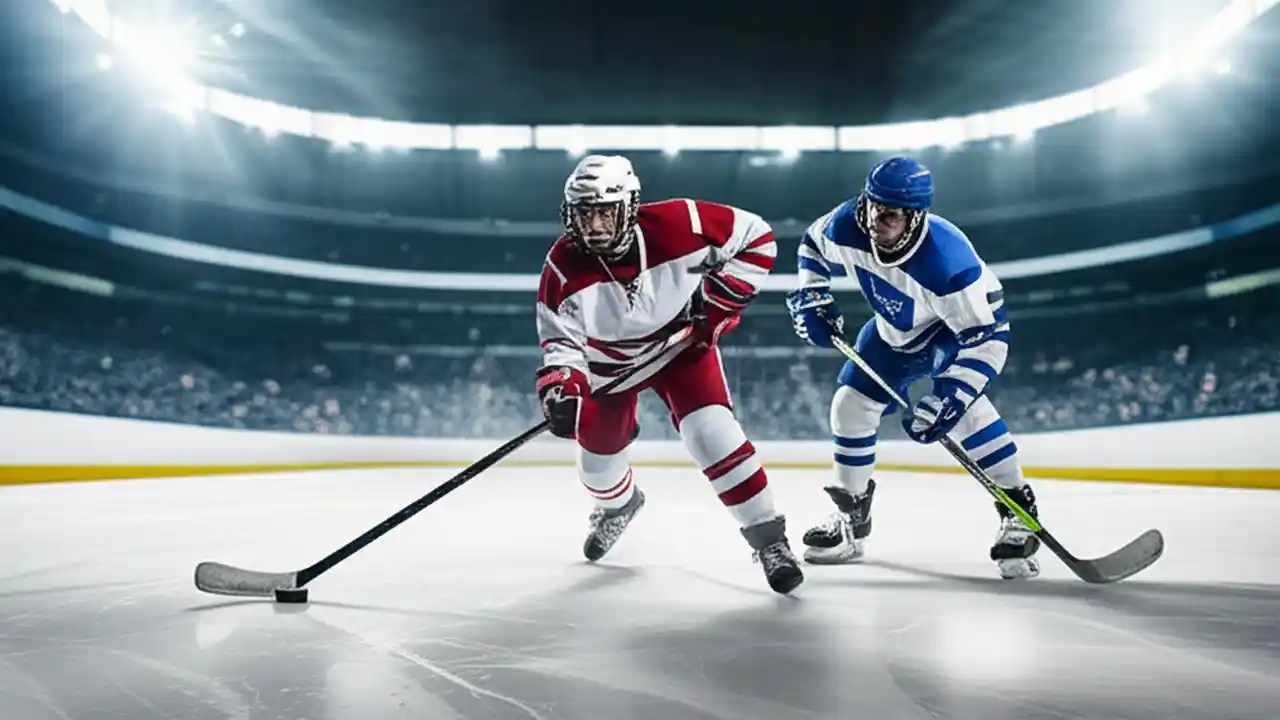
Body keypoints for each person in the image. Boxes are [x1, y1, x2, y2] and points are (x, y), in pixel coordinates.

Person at [534, 154, 803, 594]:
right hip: (610, 369)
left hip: (681, 348)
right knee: (596, 462)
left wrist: (714, 309)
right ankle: (618, 506)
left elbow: (759, 239)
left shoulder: (684, 223)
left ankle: (770, 539)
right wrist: (561, 389)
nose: (595, 226)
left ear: (631, 206)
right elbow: (561, 346)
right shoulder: (561, 269)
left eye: (605, 212)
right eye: (585, 214)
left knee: (713, 434)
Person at [785, 157, 1041, 579]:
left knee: (966, 415)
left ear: (915, 216)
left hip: (950, 335)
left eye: (887, 214)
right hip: (893, 332)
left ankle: (1018, 509)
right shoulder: (849, 223)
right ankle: (852, 518)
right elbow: (811, 243)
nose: (873, 221)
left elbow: (991, 337)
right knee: (850, 406)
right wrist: (813, 293)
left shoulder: (948, 264)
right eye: (870, 206)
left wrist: (953, 395)